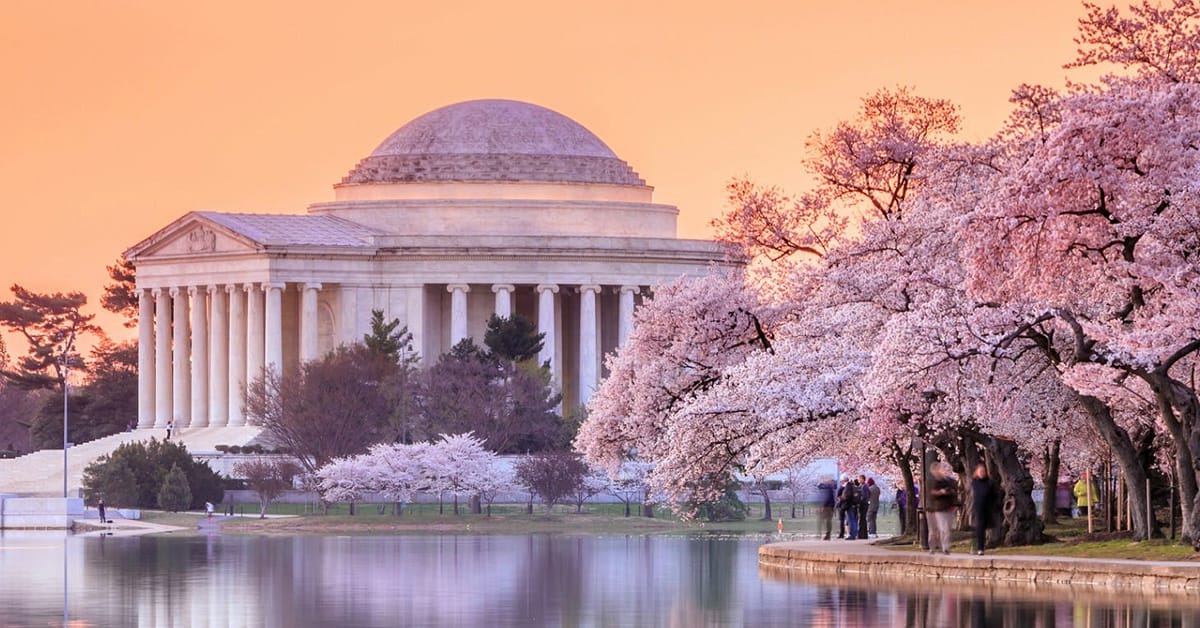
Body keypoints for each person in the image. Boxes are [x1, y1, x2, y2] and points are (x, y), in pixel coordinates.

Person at [927, 463, 958, 554]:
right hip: (936, 508)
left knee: (946, 528)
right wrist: (940, 492)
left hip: (947, 507)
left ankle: (945, 547)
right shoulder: (931, 481)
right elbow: (930, 494)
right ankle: (933, 547)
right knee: (935, 530)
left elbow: (954, 492)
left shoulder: (949, 481)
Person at [970, 463, 996, 555]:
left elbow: (994, 495)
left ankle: (981, 546)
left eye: (983, 471)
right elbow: (972, 495)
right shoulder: (974, 482)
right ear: (977, 473)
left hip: (987, 507)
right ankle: (979, 548)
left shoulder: (989, 482)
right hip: (977, 508)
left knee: (984, 527)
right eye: (980, 471)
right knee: (979, 527)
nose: (981, 473)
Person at [855, 475, 869, 539]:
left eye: (859, 479)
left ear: (863, 479)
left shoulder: (864, 486)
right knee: (862, 519)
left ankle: (862, 534)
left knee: (862, 519)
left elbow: (864, 496)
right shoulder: (861, 486)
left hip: (863, 504)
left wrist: (859, 502)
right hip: (863, 504)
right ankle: (863, 534)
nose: (858, 480)